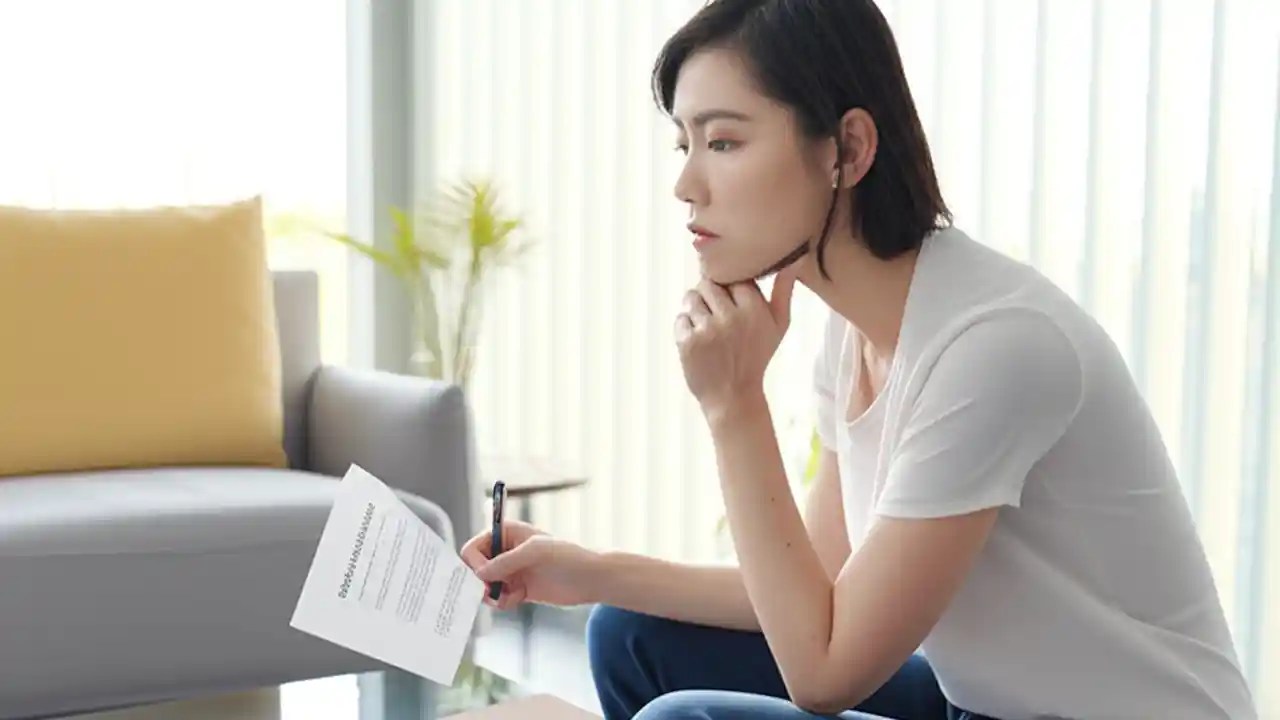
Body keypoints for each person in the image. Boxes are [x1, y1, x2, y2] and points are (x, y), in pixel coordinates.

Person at [461, 0, 1258, 718]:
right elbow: (816, 592)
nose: (686, 184)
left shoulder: (995, 350)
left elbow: (825, 671)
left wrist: (733, 405)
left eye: (724, 141)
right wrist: (588, 571)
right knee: (629, 634)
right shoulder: (857, 333)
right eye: (685, 142)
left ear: (847, 148)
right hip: (973, 705)